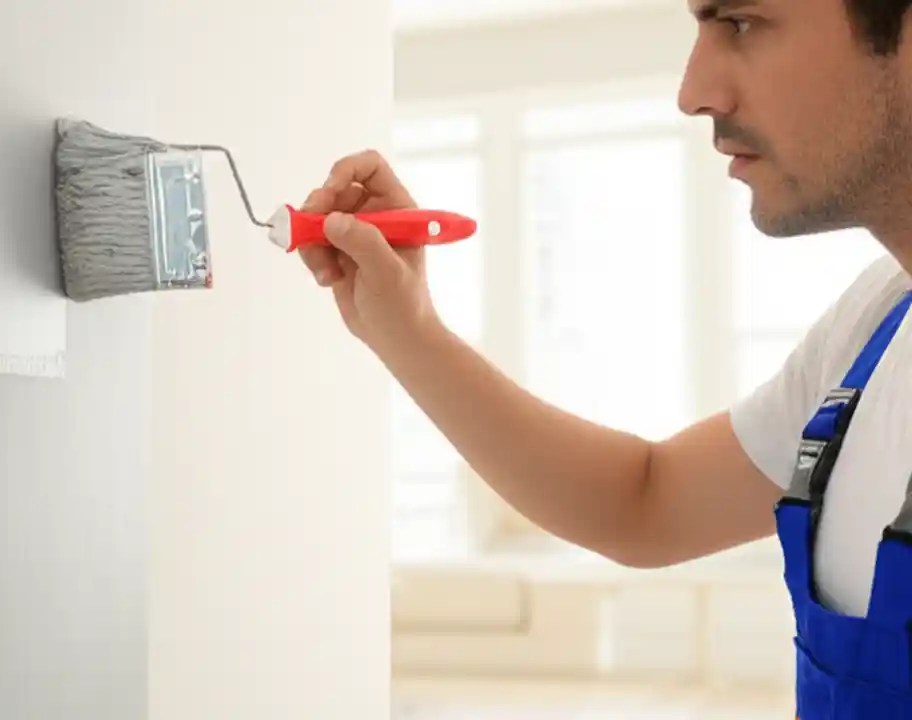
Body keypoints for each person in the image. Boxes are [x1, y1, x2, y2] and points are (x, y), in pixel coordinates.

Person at [299, 0, 912, 715]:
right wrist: (404, 328)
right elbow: (643, 503)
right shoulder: (871, 328)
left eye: (740, 23)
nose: (693, 92)